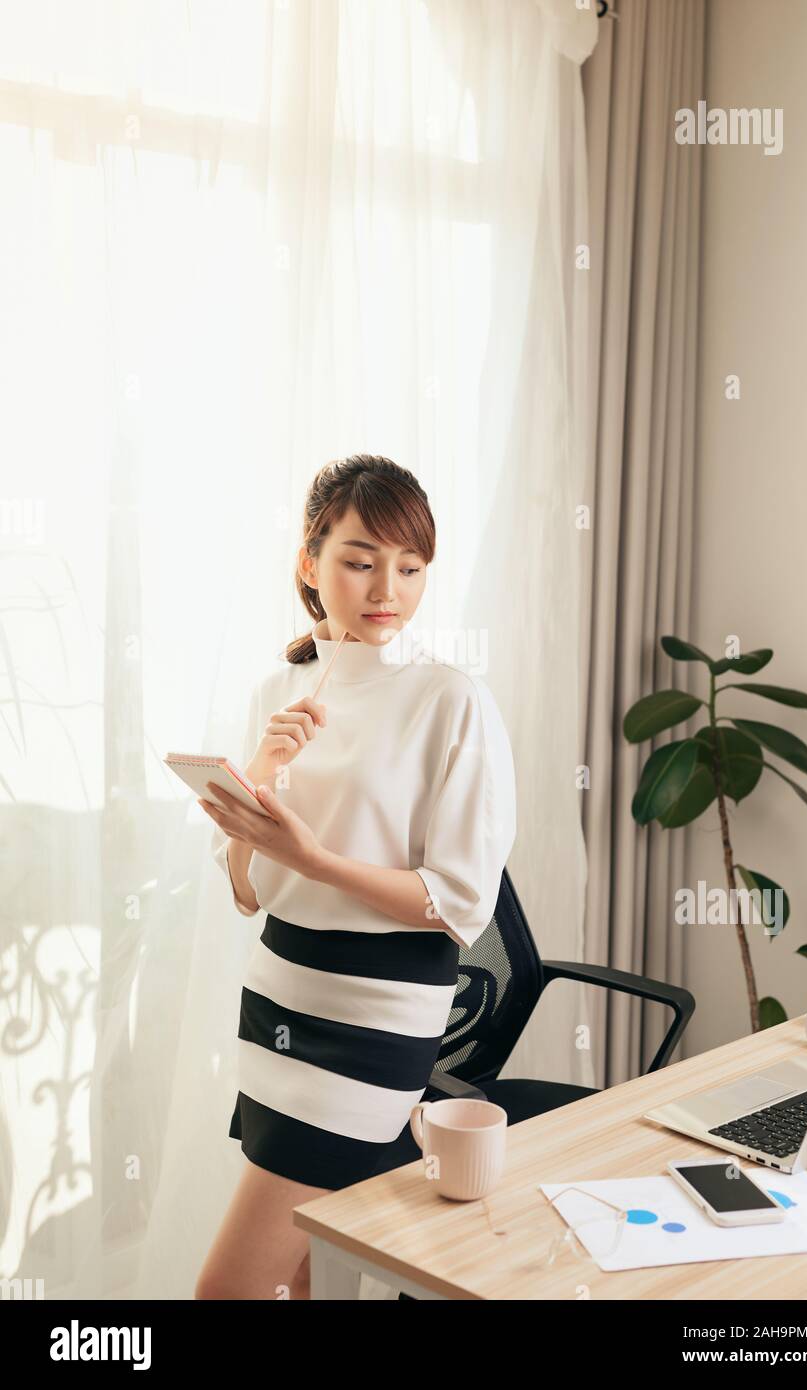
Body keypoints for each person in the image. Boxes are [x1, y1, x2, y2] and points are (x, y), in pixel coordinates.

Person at [194, 453, 517, 1300]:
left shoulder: (449, 699)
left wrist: (311, 857)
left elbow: (456, 904)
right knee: (312, 1277)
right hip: (277, 1006)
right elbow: (247, 888)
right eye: (360, 560)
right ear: (310, 562)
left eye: (410, 568)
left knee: (223, 1291)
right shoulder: (280, 685)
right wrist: (255, 778)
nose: (389, 588)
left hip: (372, 1022)